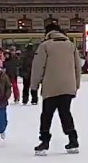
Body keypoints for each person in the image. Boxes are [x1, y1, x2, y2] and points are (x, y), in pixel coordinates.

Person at [31, 22, 84, 155]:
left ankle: (44, 141)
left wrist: (34, 87)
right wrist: (76, 84)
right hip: (68, 85)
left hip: (51, 86)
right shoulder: (71, 45)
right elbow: (78, 67)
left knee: (47, 114)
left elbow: (38, 68)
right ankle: (73, 139)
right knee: (65, 112)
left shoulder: (45, 46)